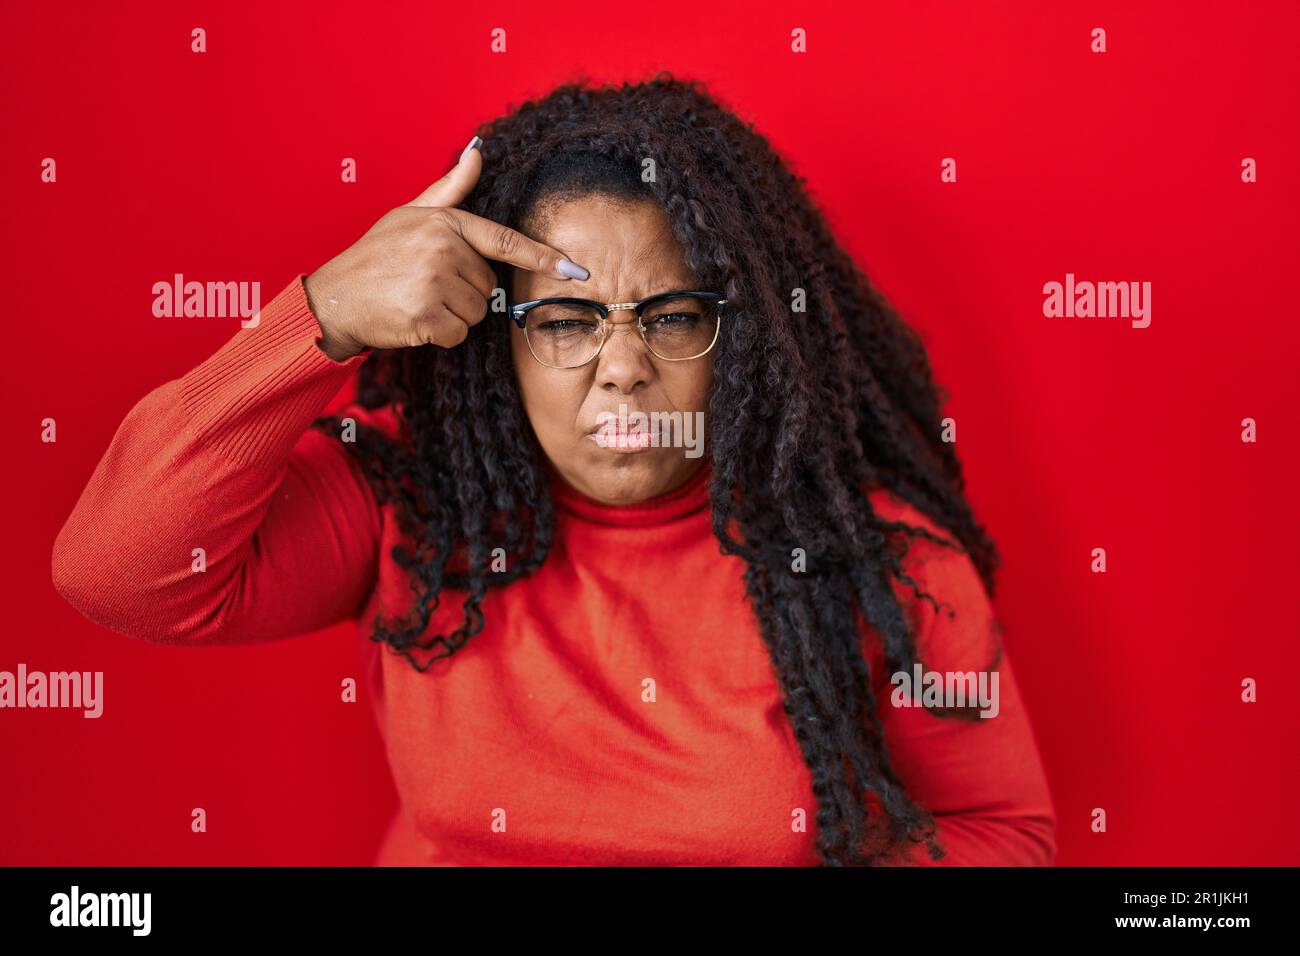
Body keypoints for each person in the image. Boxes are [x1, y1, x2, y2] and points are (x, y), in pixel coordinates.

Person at [52, 74, 1056, 866]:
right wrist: (319, 318)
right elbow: (117, 570)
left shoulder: (879, 561)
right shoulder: (414, 502)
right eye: (565, 321)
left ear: (742, 338)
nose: (622, 364)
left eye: (672, 317)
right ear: (499, 346)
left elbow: (1002, 832)